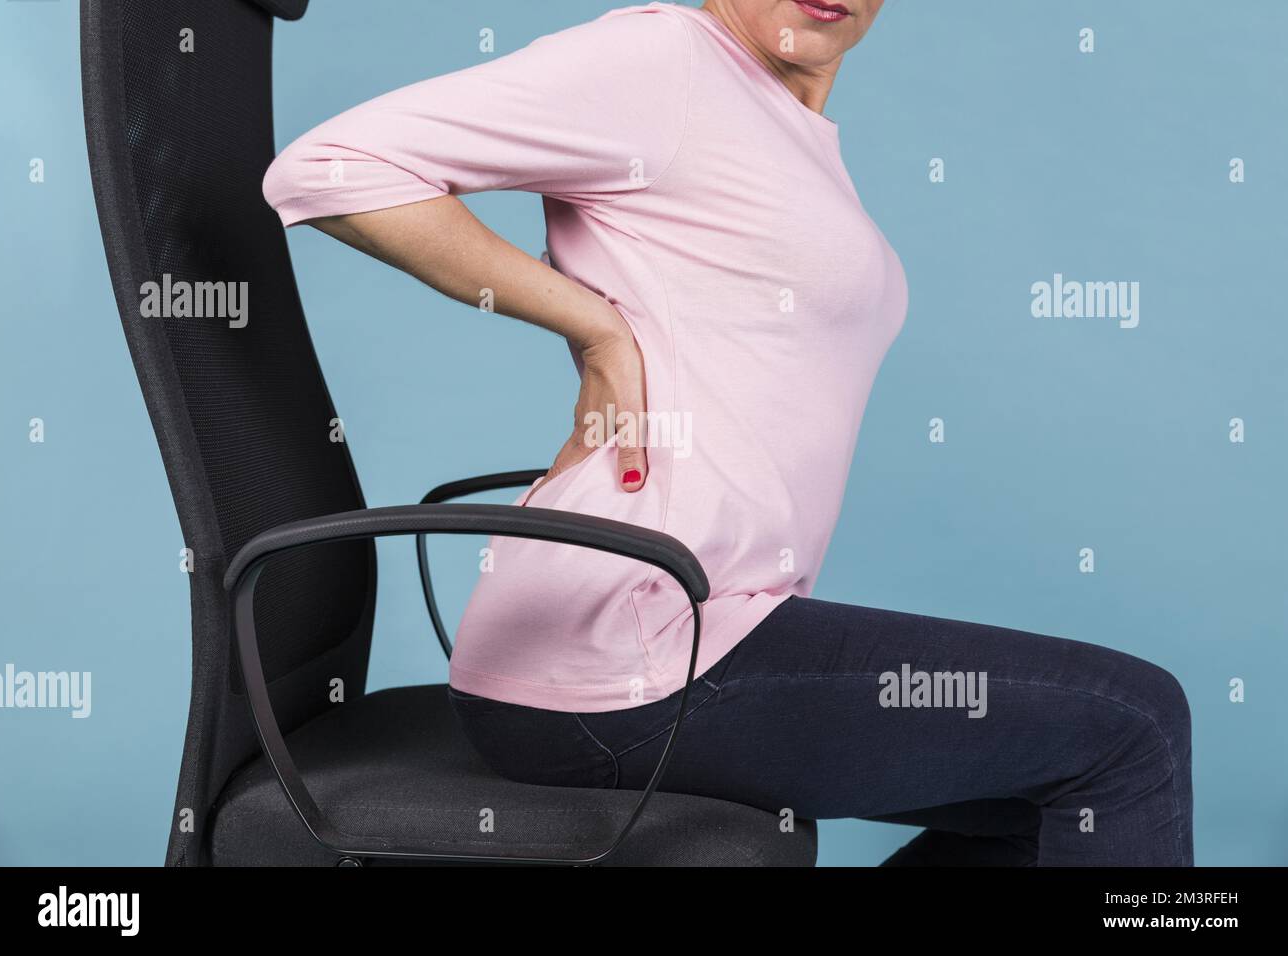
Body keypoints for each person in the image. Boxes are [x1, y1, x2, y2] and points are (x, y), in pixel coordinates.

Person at [262, 0, 1192, 865]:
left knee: (1049, 798)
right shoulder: (666, 60)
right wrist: (590, 322)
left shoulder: (778, 121)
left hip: (701, 626)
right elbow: (325, 167)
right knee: (1130, 727)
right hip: (628, 650)